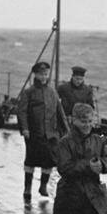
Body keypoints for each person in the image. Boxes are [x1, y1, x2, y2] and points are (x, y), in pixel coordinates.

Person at [17, 61, 66, 201]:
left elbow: (60, 112)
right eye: (41, 74)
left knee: (49, 161)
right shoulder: (29, 92)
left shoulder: (52, 92)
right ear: (35, 75)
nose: (44, 77)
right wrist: (25, 128)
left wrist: (66, 131)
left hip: (50, 134)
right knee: (30, 160)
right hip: (33, 133)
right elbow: (22, 112)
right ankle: (27, 188)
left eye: (45, 74)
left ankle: (43, 186)